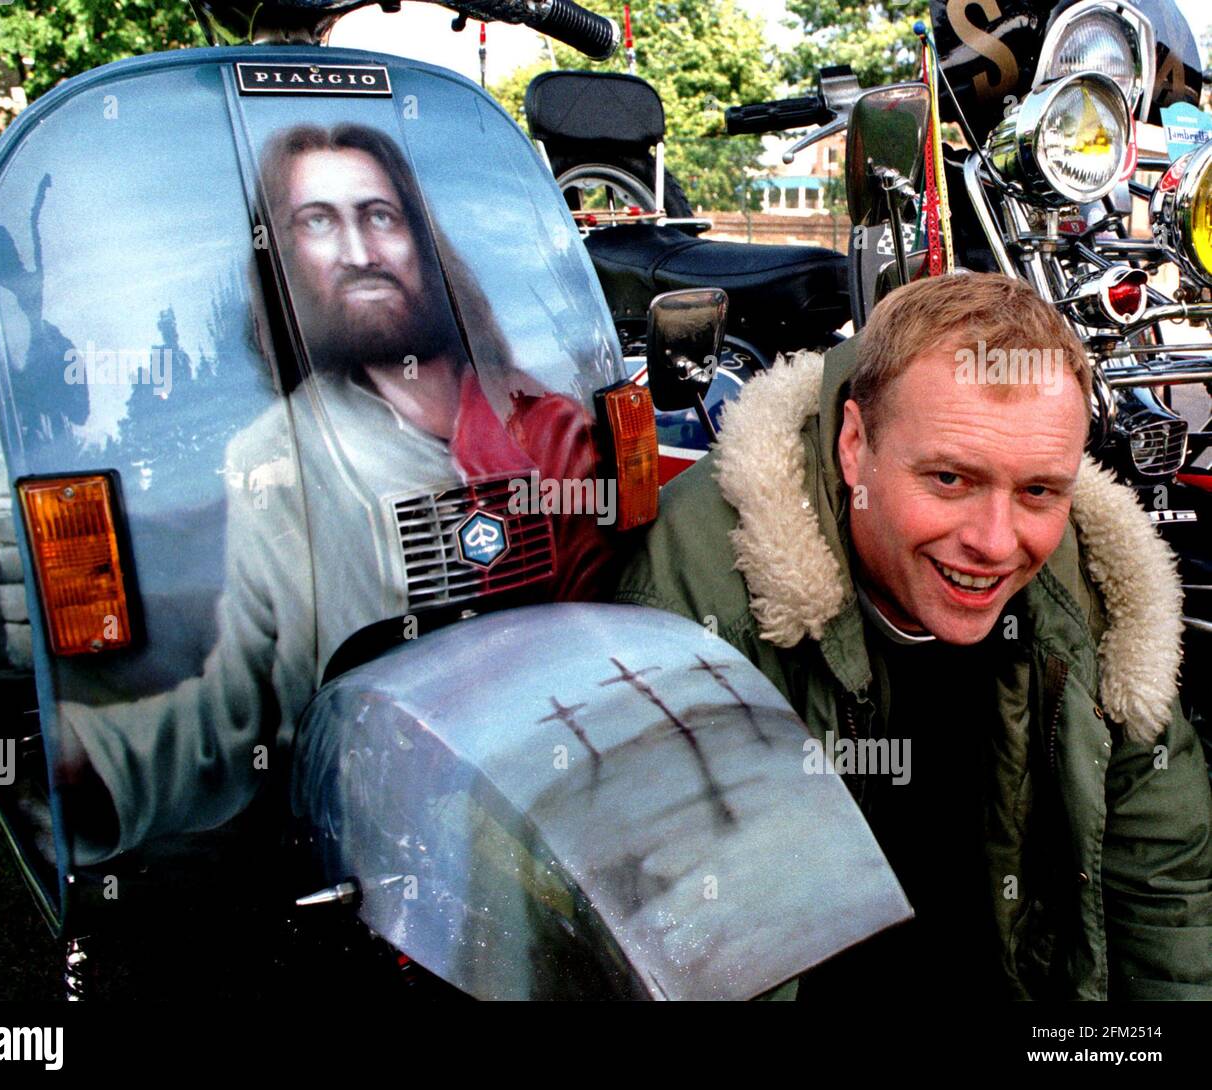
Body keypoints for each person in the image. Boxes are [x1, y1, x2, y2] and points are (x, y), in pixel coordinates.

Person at [615, 273, 1212, 1000]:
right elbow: (700, 944)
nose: (996, 544)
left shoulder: (1096, 579)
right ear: (854, 445)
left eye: (1037, 492)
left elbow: (1163, 876)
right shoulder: (704, 598)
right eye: (951, 479)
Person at [60, 123, 610, 862]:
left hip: (553, 794)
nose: (359, 252)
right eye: (317, 222)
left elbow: (594, 647)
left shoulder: (543, 430)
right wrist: (92, 757)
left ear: (422, 241)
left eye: (379, 215)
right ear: (284, 259)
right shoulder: (270, 453)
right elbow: (246, 701)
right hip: (363, 837)